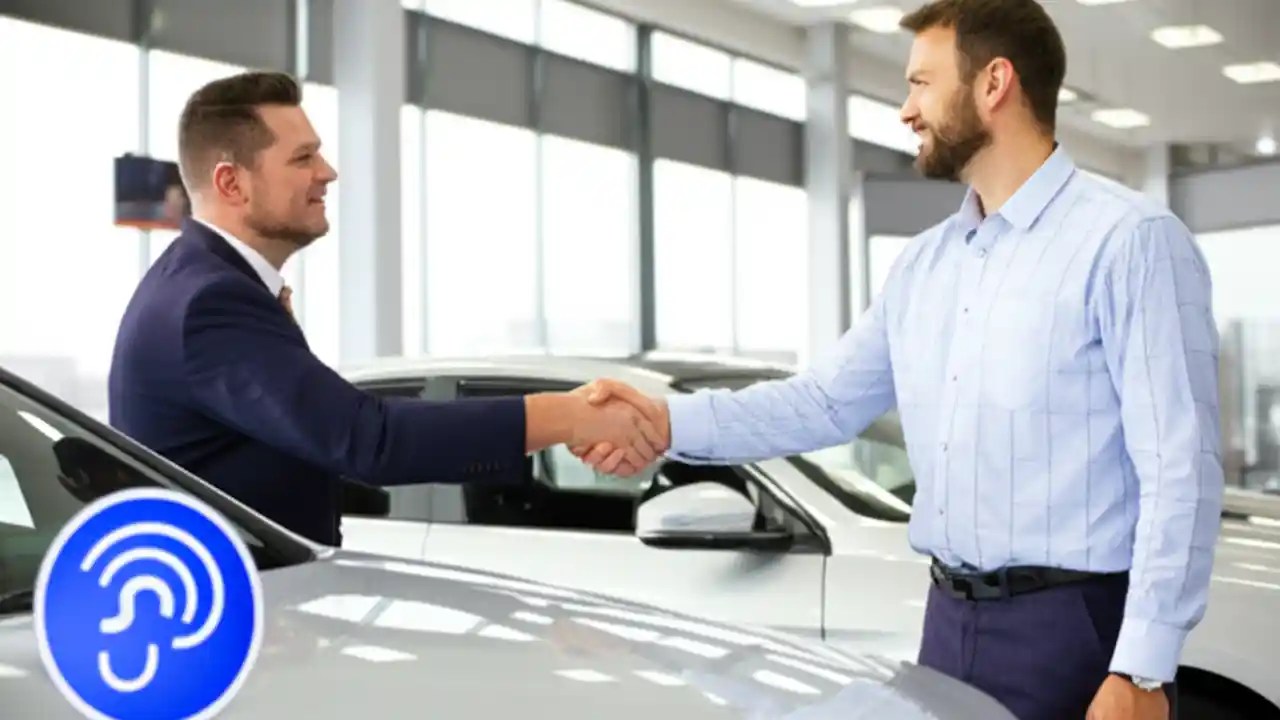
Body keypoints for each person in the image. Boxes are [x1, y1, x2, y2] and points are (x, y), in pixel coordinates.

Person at [574, 1, 1222, 718]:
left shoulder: (1130, 241)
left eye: (920, 83)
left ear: (994, 82)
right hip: (946, 621)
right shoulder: (926, 264)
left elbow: (1179, 466)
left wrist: (1142, 669)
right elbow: (823, 402)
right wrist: (664, 421)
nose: (906, 109)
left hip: (1073, 632)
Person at [108, 71, 663, 547]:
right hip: (230, 611)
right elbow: (369, 440)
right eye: (302, 158)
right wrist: (567, 415)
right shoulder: (208, 303)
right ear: (232, 183)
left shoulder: (202, 284)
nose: (327, 171)